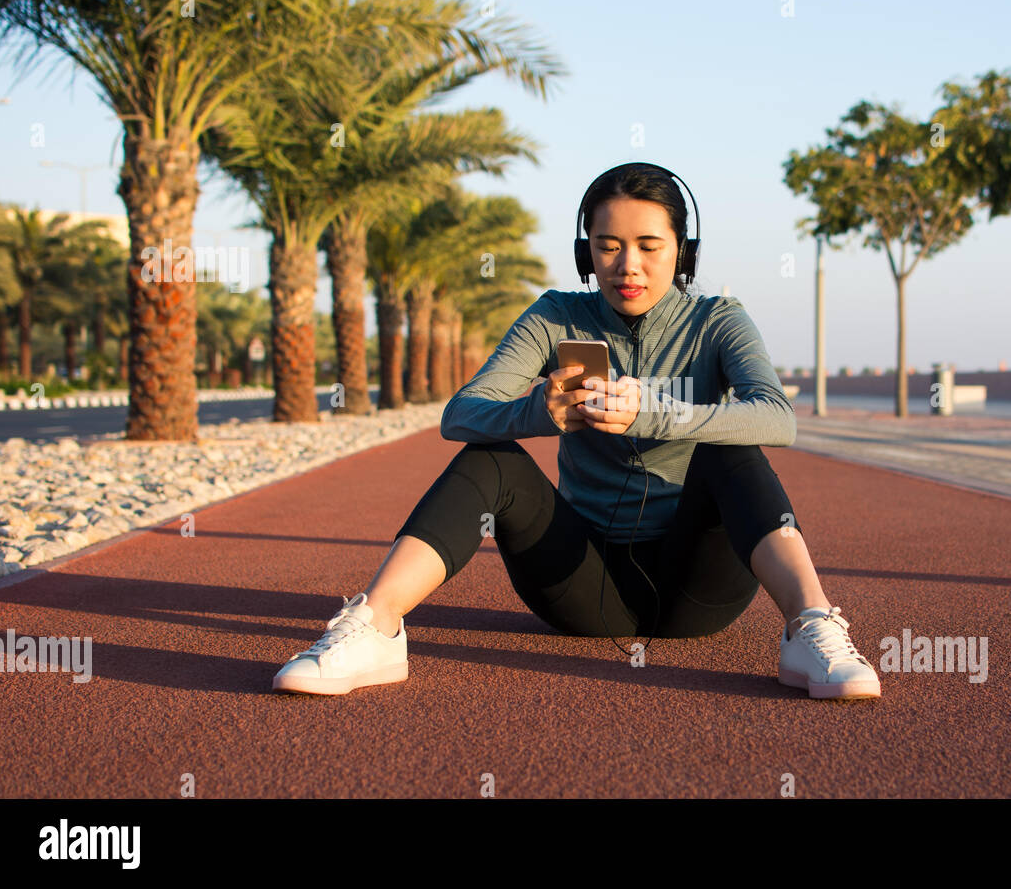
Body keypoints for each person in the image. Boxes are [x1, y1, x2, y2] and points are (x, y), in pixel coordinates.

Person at [272, 162, 880, 700]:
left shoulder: (719, 320)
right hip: (583, 583)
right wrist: (542, 413)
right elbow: (462, 413)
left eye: (649, 245)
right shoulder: (556, 314)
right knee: (493, 457)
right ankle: (376, 629)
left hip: (699, 586)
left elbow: (777, 417)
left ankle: (811, 629)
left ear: (682, 252)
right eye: (608, 245)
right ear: (585, 251)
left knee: (734, 452)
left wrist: (657, 412)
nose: (628, 266)